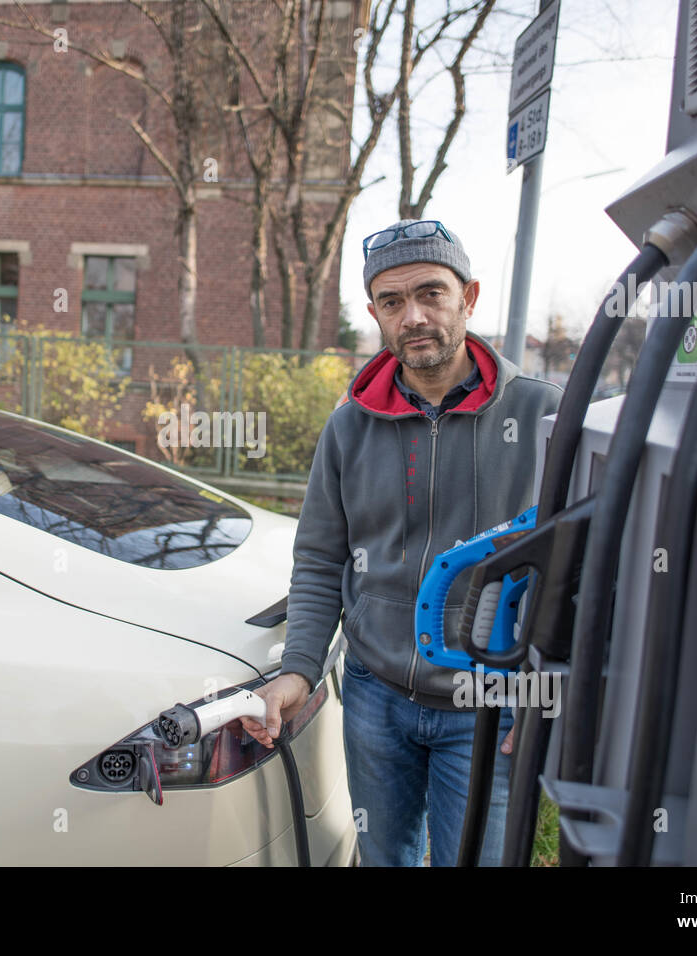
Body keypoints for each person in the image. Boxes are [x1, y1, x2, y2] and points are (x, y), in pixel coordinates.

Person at [240, 219, 562, 866]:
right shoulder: (350, 426)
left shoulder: (543, 416)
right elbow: (321, 556)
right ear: (375, 314)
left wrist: (546, 684)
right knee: (384, 856)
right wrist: (300, 668)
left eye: (431, 294)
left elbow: (577, 570)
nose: (413, 316)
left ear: (468, 298)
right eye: (392, 302)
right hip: (374, 699)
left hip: (487, 707)